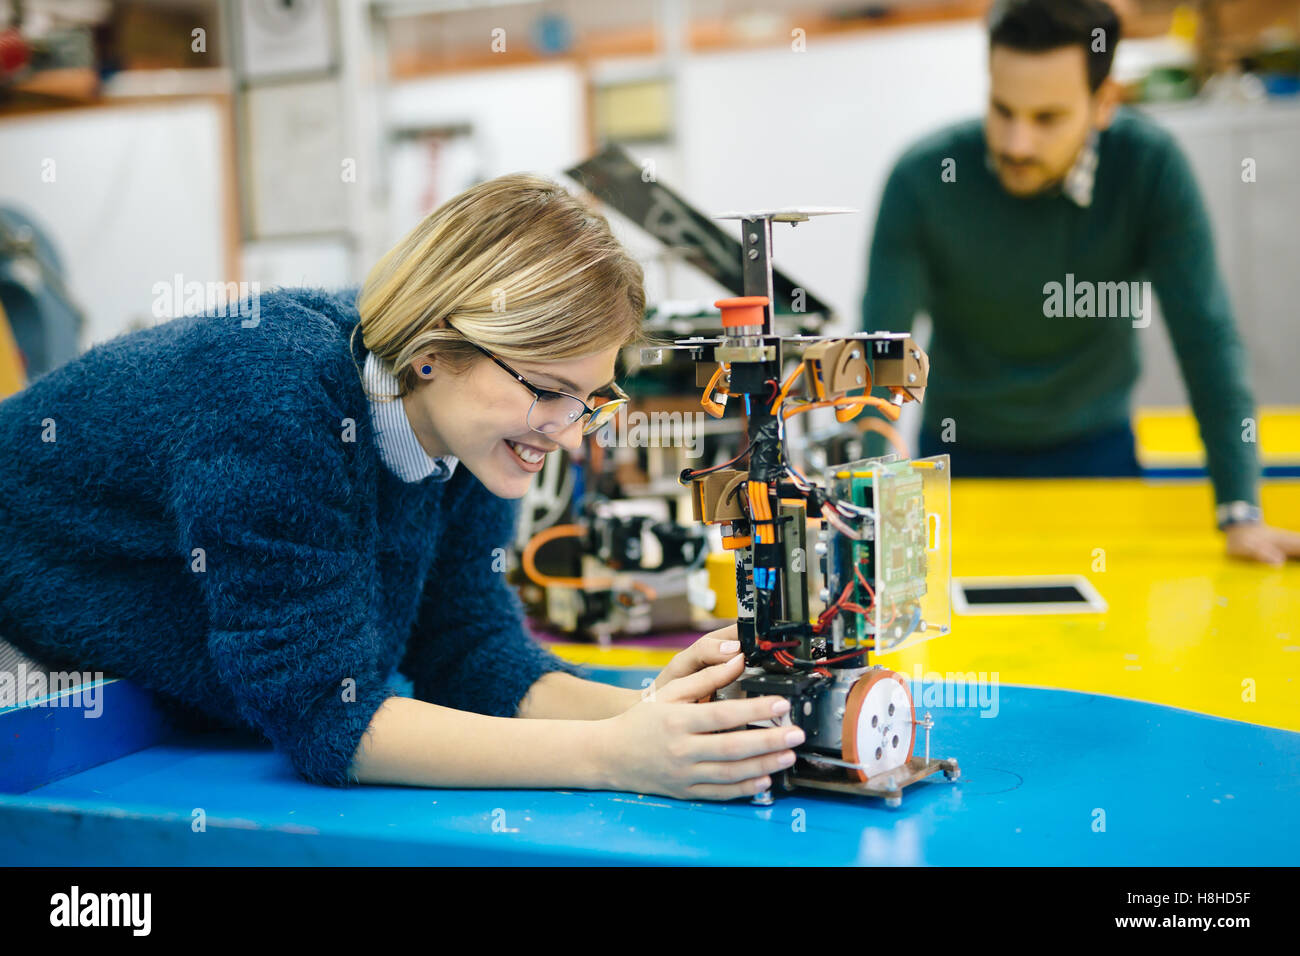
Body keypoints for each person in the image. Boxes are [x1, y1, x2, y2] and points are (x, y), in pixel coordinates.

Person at [0, 173, 804, 800]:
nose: (568, 430)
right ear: (432, 347)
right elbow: (326, 720)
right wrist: (614, 758)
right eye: (549, 390)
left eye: (591, 398)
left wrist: (659, 717)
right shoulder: (272, 396)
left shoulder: (476, 431)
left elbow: (470, 654)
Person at [861, 0, 1300, 565]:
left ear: (1104, 103)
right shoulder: (923, 178)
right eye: (1002, 110)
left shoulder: (1151, 168)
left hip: (1100, 459)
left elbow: (1207, 339)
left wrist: (1240, 508)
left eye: (1047, 118)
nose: (1018, 143)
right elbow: (878, 361)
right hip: (959, 461)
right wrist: (865, 514)